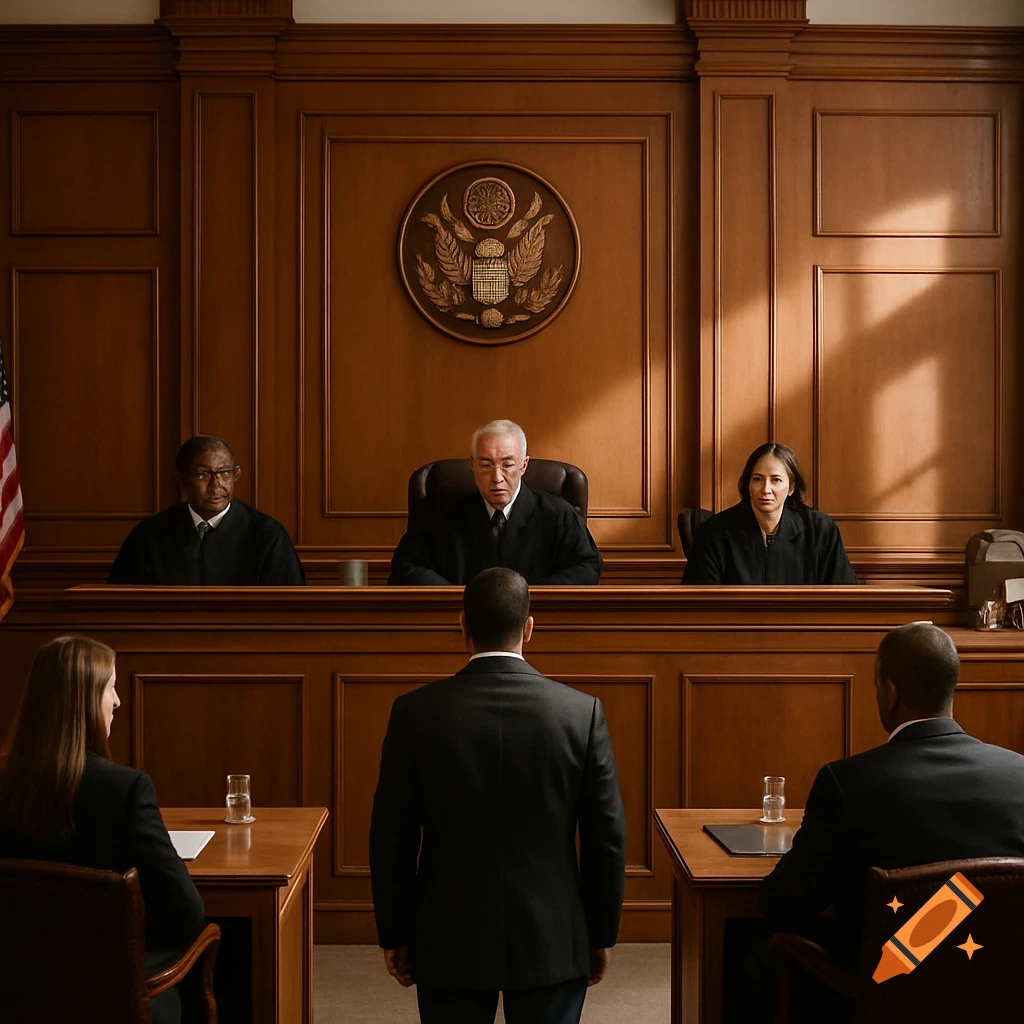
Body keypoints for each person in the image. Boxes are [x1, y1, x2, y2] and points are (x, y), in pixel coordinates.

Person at [369, 567, 627, 1024]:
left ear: (461, 625)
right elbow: (606, 840)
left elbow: (392, 837)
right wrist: (601, 933)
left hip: (448, 938)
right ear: (529, 627)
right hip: (552, 936)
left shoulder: (415, 713)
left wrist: (394, 930)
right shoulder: (581, 713)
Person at [741, 623, 1024, 1021]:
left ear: (890, 692)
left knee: (748, 948)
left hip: (885, 992)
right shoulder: (1020, 775)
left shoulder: (847, 782)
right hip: (998, 989)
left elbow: (782, 903)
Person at [0, 636, 205, 1024]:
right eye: (111, 687)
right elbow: (186, 914)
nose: (118, 702)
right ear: (85, 701)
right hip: (114, 998)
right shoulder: (126, 790)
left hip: (16, 995)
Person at [388, 420, 602, 585]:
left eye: (507, 464)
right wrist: (456, 597)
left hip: (536, 624)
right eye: (486, 465)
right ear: (472, 465)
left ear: (523, 465)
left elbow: (587, 567)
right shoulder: (439, 515)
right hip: (456, 623)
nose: (497, 477)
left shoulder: (559, 515)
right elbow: (405, 566)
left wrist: (524, 598)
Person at [109, 434, 305, 585]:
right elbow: (122, 604)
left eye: (225, 472)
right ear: (181, 479)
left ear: (235, 474)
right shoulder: (149, 536)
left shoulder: (266, 534)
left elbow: (288, 607)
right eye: (203, 475)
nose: (216, 484)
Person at [682, 442, 856, 584]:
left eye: (776, 480)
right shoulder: (715, 532)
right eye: (757, 479)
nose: (766, 489)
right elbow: (699, 605)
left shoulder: (820, 529)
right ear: (748, 484)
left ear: (791, 487)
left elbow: (844, 596)